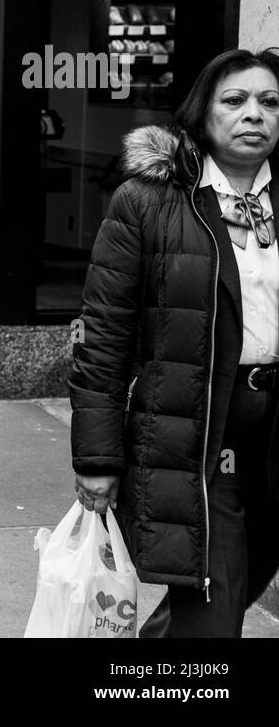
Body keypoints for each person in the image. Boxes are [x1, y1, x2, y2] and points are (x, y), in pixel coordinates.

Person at [71, 47, 279, 638]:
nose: (253, 115)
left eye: (269, 102)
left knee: (240, 583)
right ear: (203, 113)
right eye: (234, 100)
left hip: (274, 436)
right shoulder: (149, 204)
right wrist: (97, 458)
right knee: (214, 610)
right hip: (196, 433)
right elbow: (104, 339)